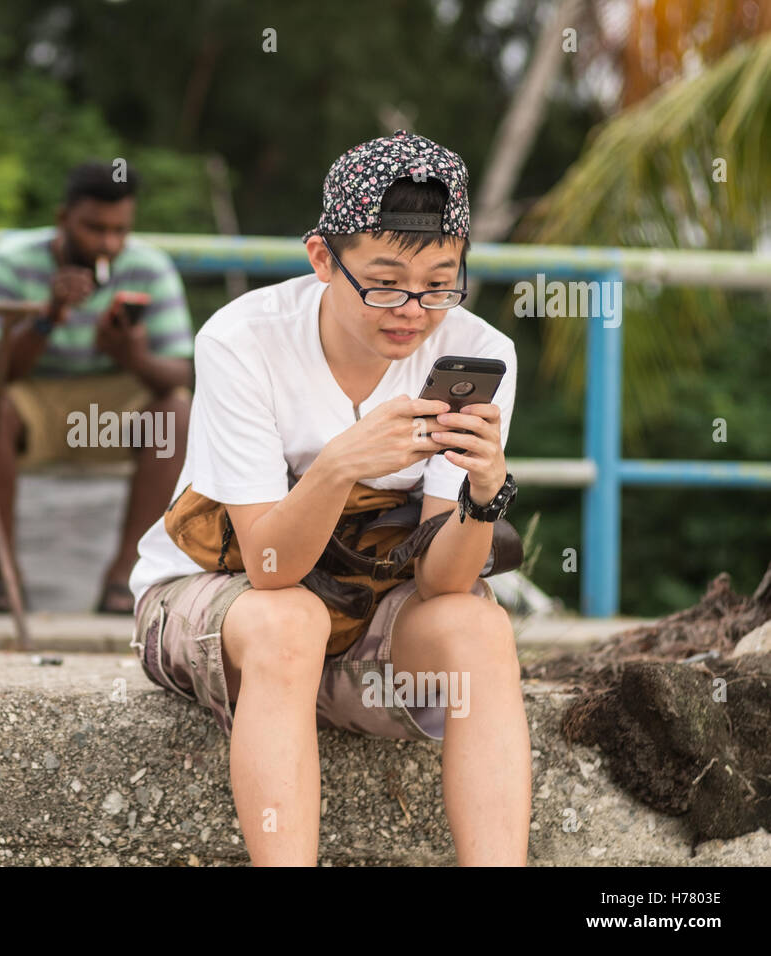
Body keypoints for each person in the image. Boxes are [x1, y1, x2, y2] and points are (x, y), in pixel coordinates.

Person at [128, 131, 528, 865]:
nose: (413, 309)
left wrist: (482, 494)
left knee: (478, 631)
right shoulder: (243, 340)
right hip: (226, 609)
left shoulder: (477, 350)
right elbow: (271, 566)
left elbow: (443, 582)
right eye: (385, 281)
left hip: (365, 629)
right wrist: (339, 464)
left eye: (440, 283)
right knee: (290, 620)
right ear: (322, 259)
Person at [0, 162, 194, 615]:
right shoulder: (10, 261)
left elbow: (178, 373)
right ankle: (4, 577)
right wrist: (48, 318)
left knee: (176, 414)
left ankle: (124, 577)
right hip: (32, 395)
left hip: (108, 407)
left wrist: (131, 356)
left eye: (119, 231)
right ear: (62, 218)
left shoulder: (150, 267)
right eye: (94, 229)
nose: (108, 243)